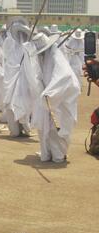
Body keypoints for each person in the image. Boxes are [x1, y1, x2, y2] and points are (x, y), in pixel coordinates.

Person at [24, 33, 81, 163]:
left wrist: (51, 92)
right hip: (47, 99)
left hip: (59, 99)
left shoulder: (57, 57)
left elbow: (64, 77)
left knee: (57, 128)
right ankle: (46, 153)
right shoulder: (43, 59)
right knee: (45, 129)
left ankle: (58, 155)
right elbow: (37, 76)